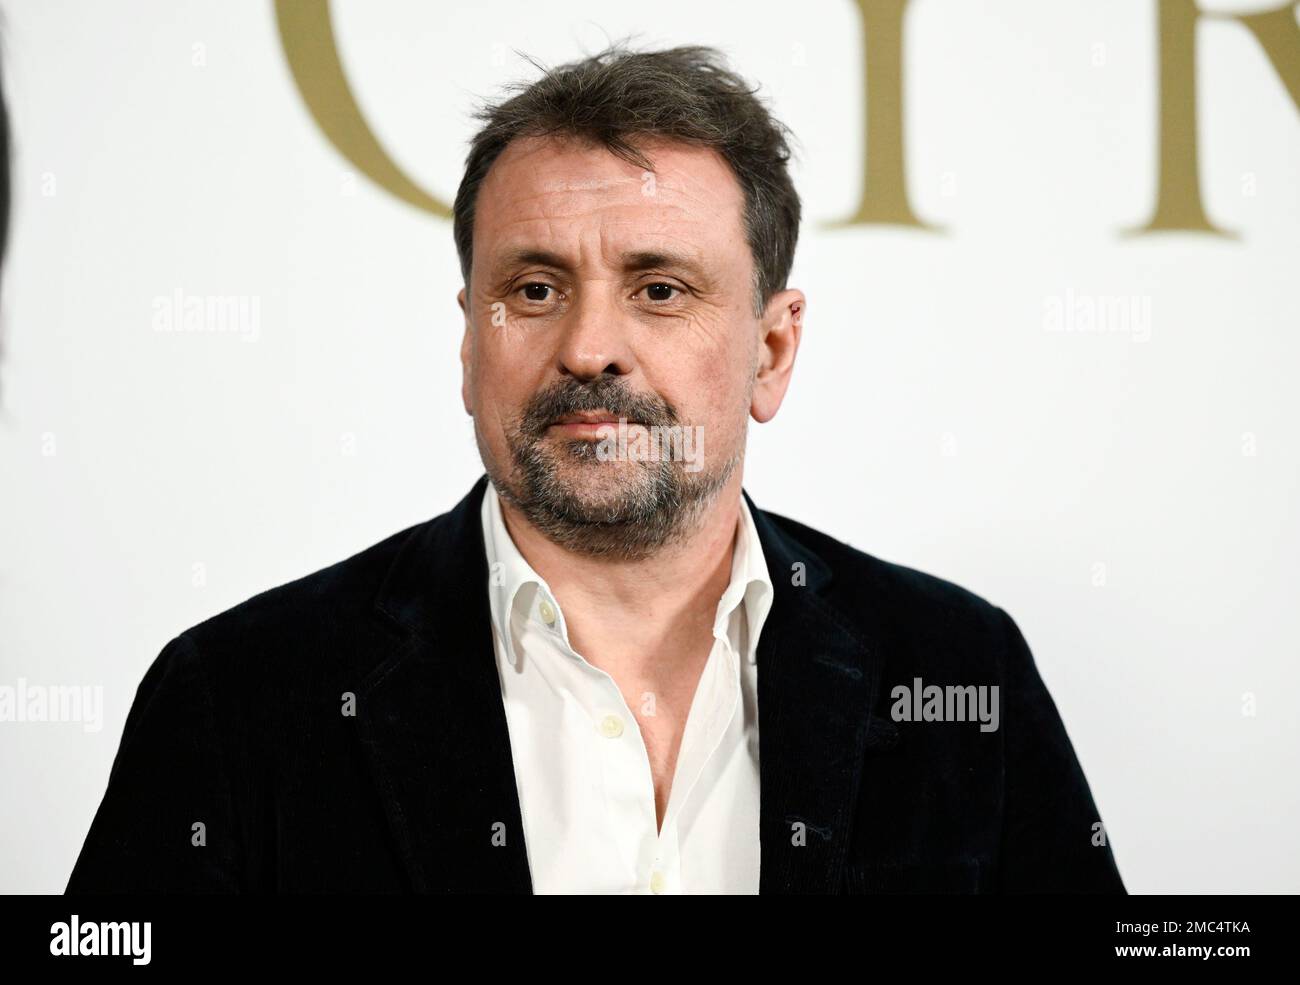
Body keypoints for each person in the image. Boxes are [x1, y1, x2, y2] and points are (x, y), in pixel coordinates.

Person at [66, 43, 1125, 894]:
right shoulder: (241, 695)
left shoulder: (955, 664)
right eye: (533, 290)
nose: (587, 348)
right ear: (469, 345)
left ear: (771, 349)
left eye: (660, 289)